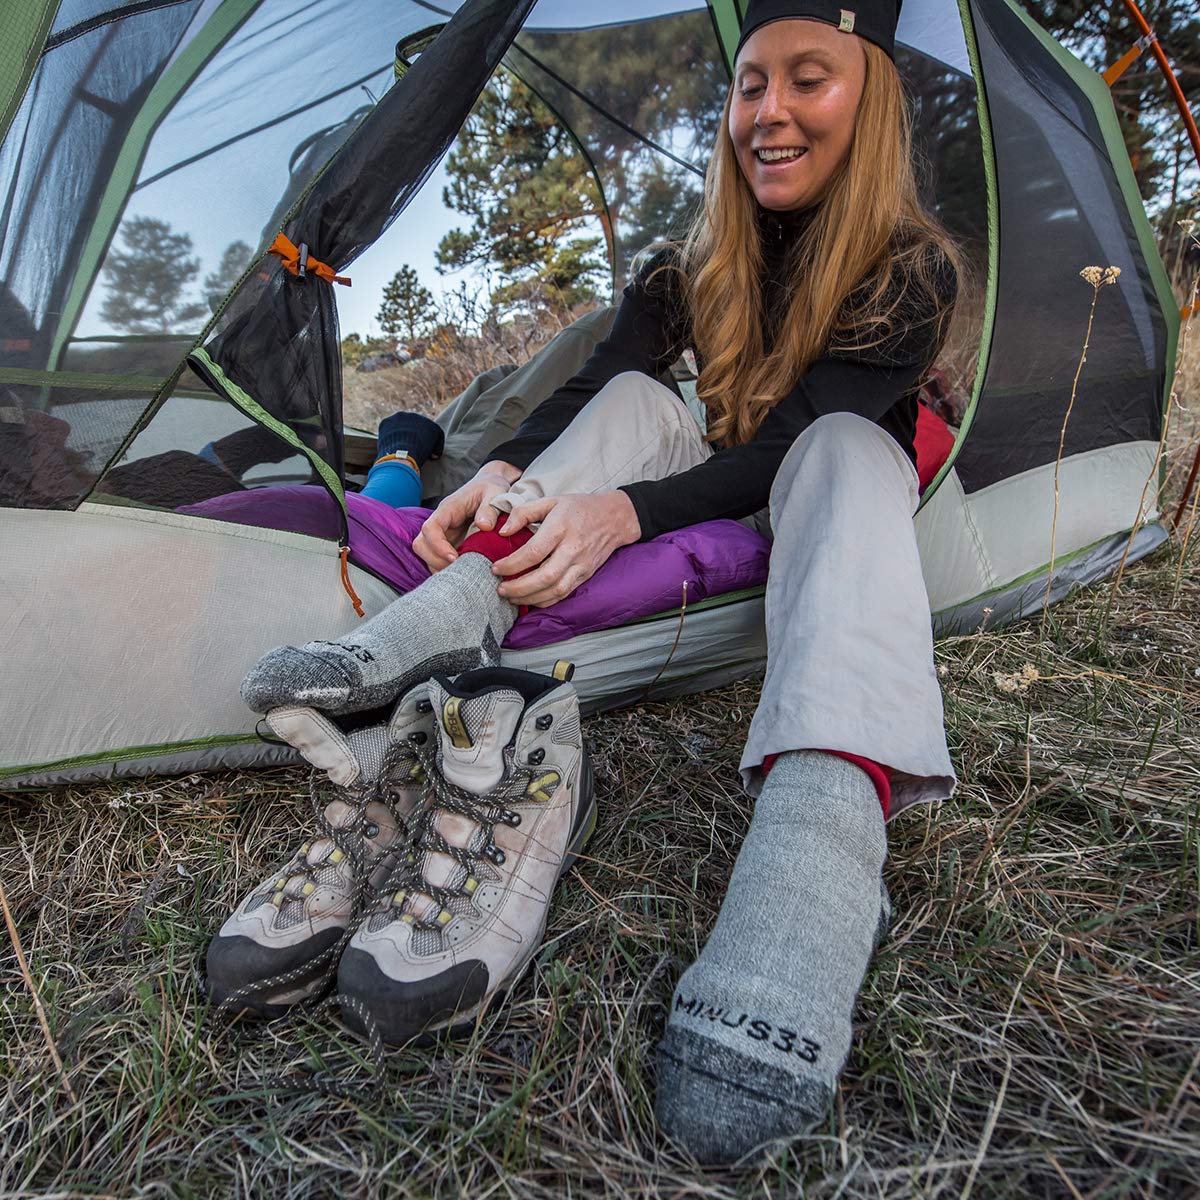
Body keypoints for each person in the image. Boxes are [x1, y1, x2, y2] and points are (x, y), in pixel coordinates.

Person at [208, 0, 963, 1165]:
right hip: (708, 464)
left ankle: (820, 838)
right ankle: (454, 617)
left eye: (807, 80)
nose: (768, 112)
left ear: (869, 100)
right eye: (750, 83)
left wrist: (628, 514)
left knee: (850, 451)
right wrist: (514, 466)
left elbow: (800, 436)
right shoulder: (693, 263)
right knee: (633, 401)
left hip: (820, 480)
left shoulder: (910, 271)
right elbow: (600, 387)